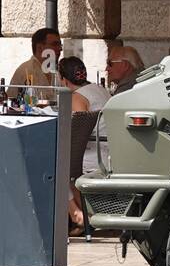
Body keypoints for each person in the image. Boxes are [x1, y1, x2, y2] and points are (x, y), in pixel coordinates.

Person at [59, 56, 110, 234]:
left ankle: (77, 215)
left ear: (63, 79)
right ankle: (83, 215)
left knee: (53, 164)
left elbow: (74, 134)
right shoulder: (99, 89)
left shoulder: (77, 97)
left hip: (91, 154)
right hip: (107, 150)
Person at [6, 27, 61, 99]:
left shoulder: (57, 72)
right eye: (55, 44)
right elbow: (11, 102)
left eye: (60, 45)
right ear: (40, 47)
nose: (60, 48)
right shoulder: (25, 70)